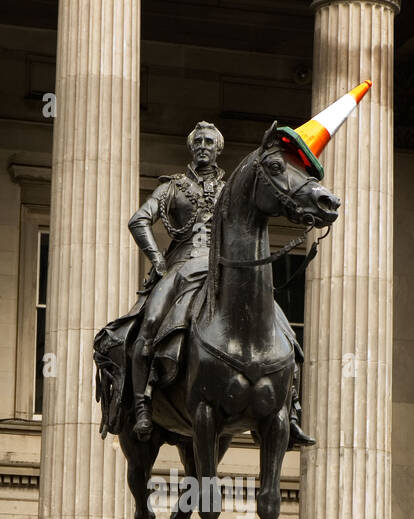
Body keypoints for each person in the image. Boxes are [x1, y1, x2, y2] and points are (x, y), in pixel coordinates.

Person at [127, 120, 314, 447]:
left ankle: (291, 408)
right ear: (191, 147)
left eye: (208, 141)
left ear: (218, 149)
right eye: (197, 141)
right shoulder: (172, 187)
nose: (202, 146)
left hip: (224, 268)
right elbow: (139, 220)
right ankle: (143, 403)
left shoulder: (233, 188)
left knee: (283, 330)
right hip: (182, 268)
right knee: (150, 324)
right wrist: (157, 258)